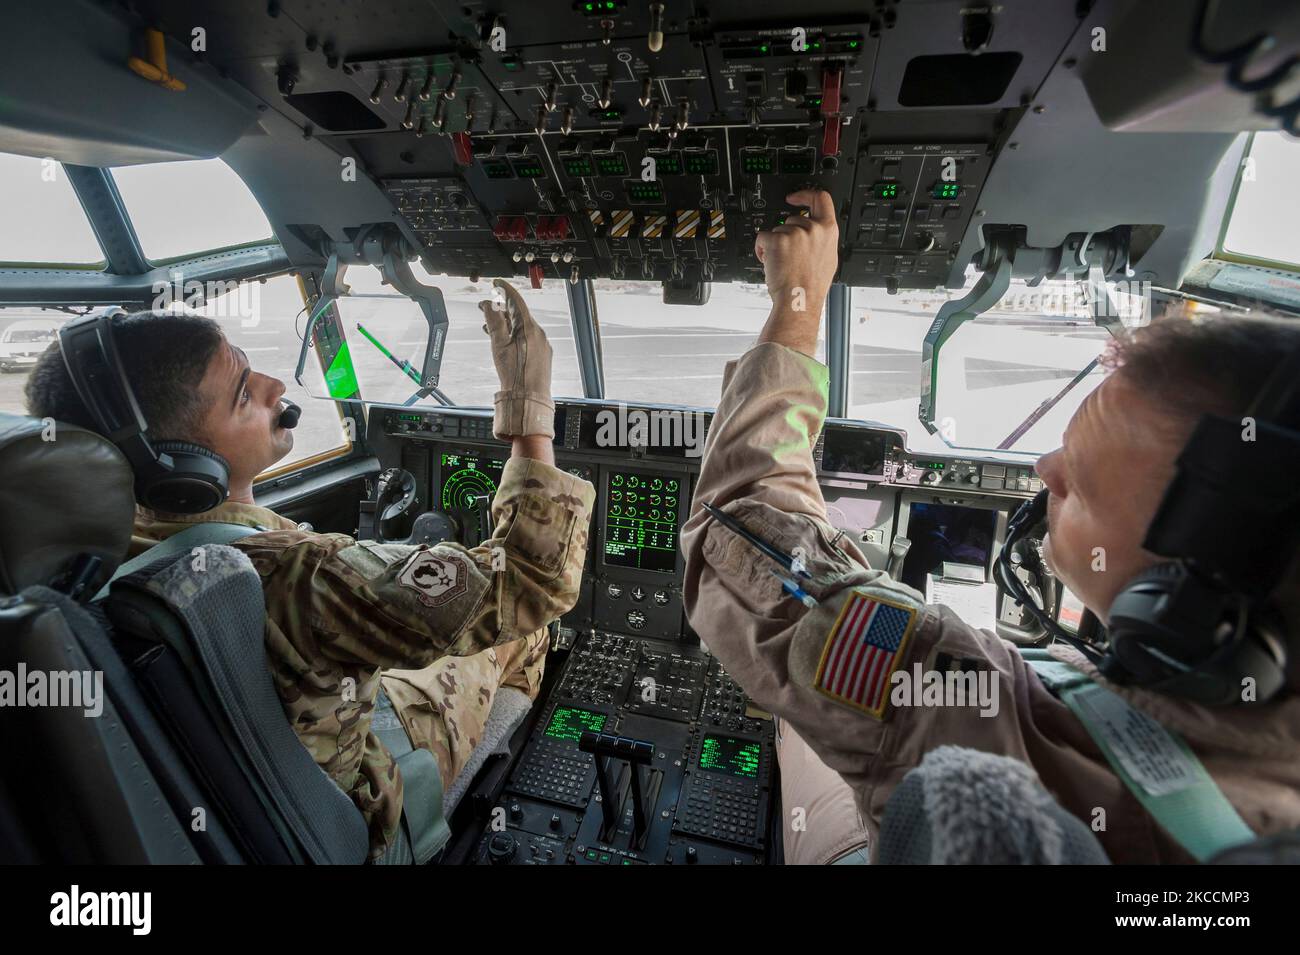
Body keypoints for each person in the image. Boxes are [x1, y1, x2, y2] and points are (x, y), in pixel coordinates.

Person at [681, 189, 1300, 864]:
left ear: (1186, 601)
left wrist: (796, 301)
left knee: (801, 717)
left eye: (1081, 484)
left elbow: (736, 526)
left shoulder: (976, 700)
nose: (1046, 467)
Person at [26, 280, 592, 859]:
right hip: (358, 814)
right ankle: (506, 781)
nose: (275, 385)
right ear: (182, 466)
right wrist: (530, 408)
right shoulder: (294, 573)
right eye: (244, 393)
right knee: (521, 631)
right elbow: (528, 580)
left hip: (253, 790)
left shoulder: (72, 556)